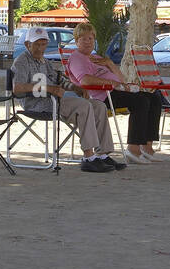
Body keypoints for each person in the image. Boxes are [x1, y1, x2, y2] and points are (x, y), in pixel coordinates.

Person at [11, 26, 125, 171]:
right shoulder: (22, 61)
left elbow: (59, 80)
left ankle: (102, 154)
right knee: (83, 106)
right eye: (37, 44)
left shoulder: (45, 62)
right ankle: (88, 157)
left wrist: (76, 88)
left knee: (98, 106)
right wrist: (47, 88)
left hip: (53, 100)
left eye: (43, 44)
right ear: (28, 44)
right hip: (36, 103)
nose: (40, 48)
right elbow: (17, 88)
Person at [67, 23, 164, 164]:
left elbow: (121, 79)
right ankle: (133, 148)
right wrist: (113, 84)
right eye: (83, 39)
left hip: (113, 92)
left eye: (91, 39)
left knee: (154, 97)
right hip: (100, 96)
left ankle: (147, 146)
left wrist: (110, 64)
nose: (88, 42)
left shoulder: (96, 58)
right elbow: (85, 80)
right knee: (141, 101)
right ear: (76, 41)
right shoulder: (77, 58)